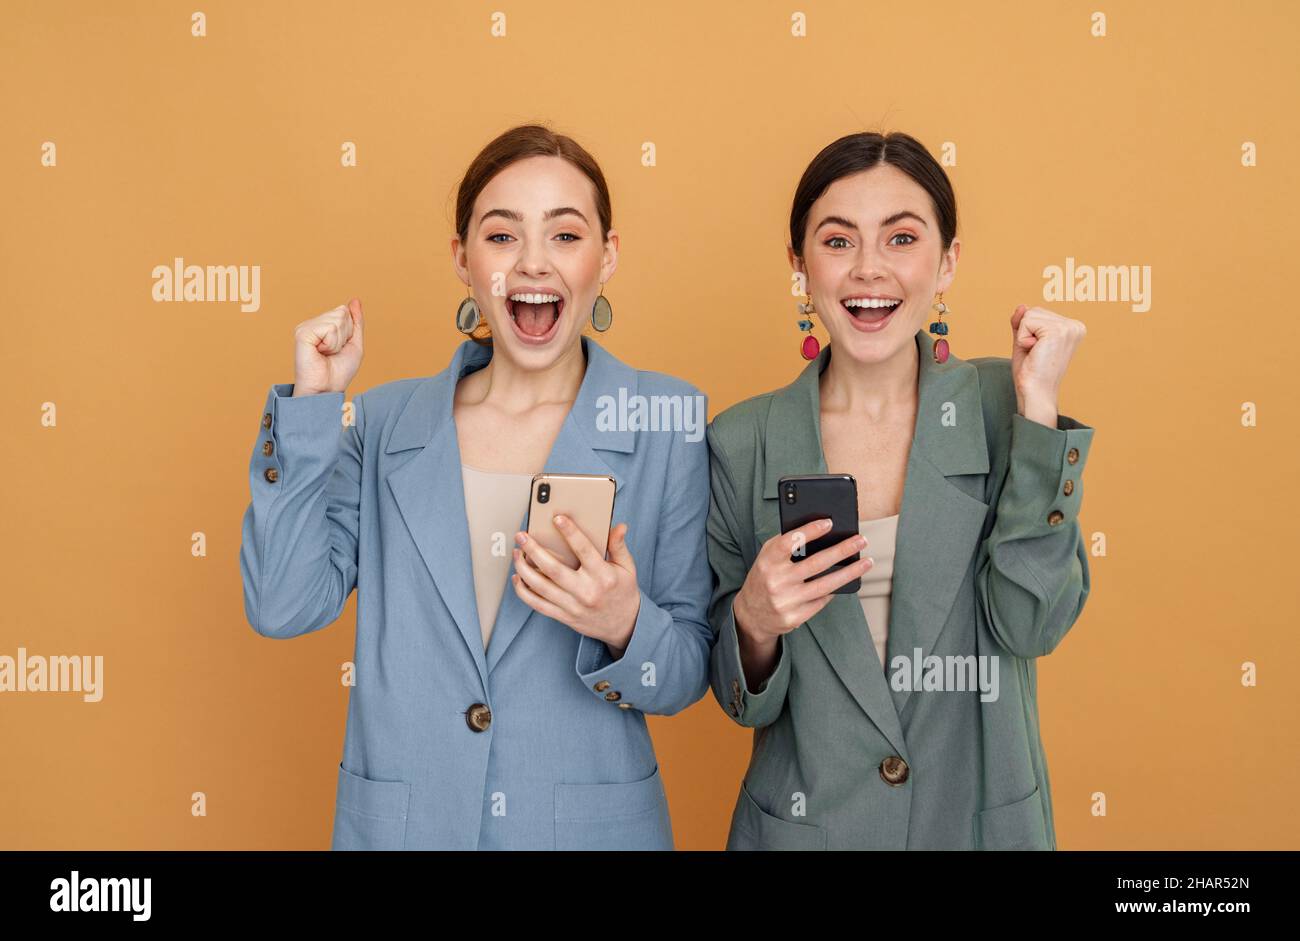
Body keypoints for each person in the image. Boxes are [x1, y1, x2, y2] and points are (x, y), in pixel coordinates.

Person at [240, 124, 713, 849]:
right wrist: (311, 408)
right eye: (501, 236)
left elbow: (683, 673)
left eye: (564, 235)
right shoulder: (382, 423)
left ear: (607, 255)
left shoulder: (665, 421)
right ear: (463, 259)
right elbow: (280, 604)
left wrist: (624, 620)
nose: (532, 263)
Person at [705, 130, 1095, 849]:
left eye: (902, 238)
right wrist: (754, 621)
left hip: (978, 826)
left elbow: (1031, 624)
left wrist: (1039, 413)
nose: (870, 270)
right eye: (838, 241)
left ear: (947, 262)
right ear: (800, 265)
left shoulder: (1002, 408)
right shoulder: (740, 442)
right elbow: (745, 704)